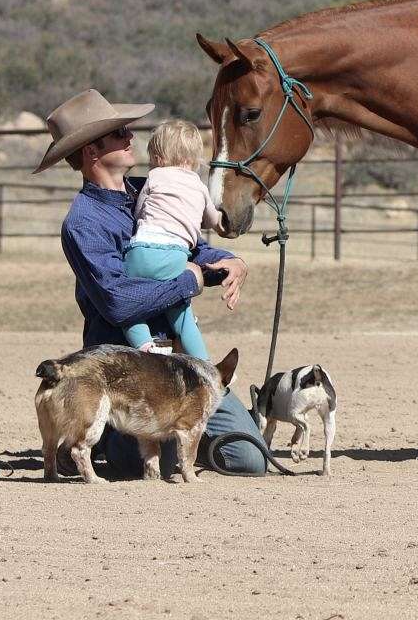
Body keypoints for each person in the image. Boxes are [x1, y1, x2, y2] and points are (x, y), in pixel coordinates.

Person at [34, 89, 267, 476]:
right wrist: (188, 282)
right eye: (118, 134)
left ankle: (190, 433)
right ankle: (93, 427)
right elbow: (117, 303)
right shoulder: (83, 224)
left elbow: (191, 245)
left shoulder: (151, 187)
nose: (130, 138)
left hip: (186, 369)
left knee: (248, 459)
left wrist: (228, 260)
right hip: (126, 373)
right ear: (92, 153)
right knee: (134, 465)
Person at [122, 120, 221, 359]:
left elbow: (140, 211)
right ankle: (205, 364)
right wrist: (220, 221)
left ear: (158, 156)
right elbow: (211, 220)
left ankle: (146, 345)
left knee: (130, 305)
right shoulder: (199, 186)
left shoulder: (154, 177)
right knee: (183, 316)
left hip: (141, 252)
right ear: (193, 158)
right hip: (176, 256)